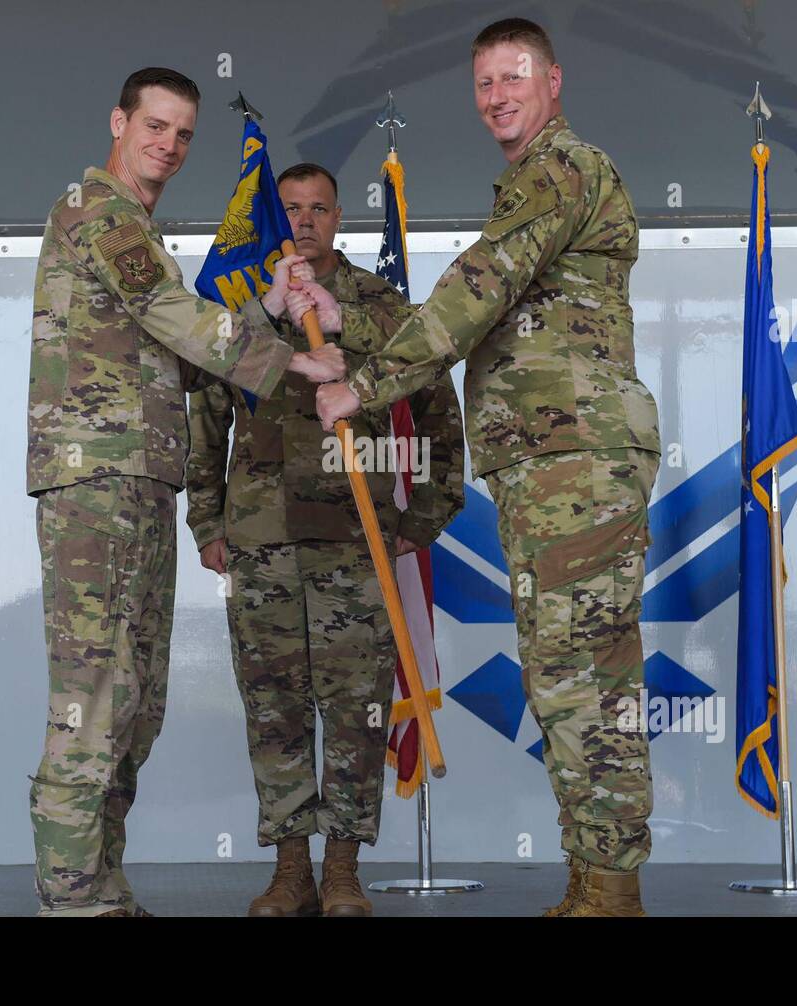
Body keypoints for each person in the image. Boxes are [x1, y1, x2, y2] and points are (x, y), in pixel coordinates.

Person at [307, 19, 662, 916]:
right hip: (551, 462)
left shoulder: (560, 168)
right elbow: (481, 302)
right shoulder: (536, 179)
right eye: (483, 84)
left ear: (553, 80)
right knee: (566, 670)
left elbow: (477, 290)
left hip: (576, 459)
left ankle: (611, 888)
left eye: (514, 77)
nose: (497, 96)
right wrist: (347, 318)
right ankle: (595, 880)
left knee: (582, 671)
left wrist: (367, 384)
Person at [26, 67, 344, 918]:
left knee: (135, 695)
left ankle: (102, 883)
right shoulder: (99, 212)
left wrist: (267, 306)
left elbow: (174, 336)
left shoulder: (136, 230)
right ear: (118, 121)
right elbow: (172, 316)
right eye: (154, 126)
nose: (168, 144)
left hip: (139, 481)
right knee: (95, 694)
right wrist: (295, 358)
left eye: (183, 133)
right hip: (97, 482)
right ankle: (70, 896)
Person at [185, 162, 464, 916]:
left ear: (340, 218)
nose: (304, 222)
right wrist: (207, 523)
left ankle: (343, 869)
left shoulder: (377, 305)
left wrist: (424, 516)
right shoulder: (243, 312)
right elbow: (207, 423)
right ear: (276, 222)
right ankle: (289, 870)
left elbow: (437, 407)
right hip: (262, 537)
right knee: (273, 705)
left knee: (355, 709)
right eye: (291, 210)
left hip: (356, 539)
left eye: (318, 209)